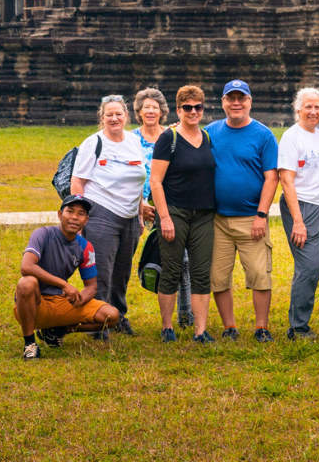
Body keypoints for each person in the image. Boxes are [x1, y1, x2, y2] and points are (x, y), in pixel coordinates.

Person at [70, 94, 151, 337]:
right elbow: (77, 182)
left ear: (126, 116)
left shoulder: (134, 142)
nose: (114, 118)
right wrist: (80, 218)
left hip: (130, 217)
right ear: (102, 118)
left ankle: (118, 316)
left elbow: (139, 180)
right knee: (102, 273)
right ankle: (97, 323)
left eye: (118, 114)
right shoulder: (93, 143)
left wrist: (140, 213)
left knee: (122, 272)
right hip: (101, 214)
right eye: (109, 115)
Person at [206, 79, 278, 342]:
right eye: (231, 98)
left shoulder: (263, 135)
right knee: (218, 276)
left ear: (249, 101)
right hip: (217, 219)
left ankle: (261, 327)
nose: (236, 103)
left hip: (251, 218)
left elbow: (271, 178)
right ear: (223, 102)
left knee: (259, 274)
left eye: (241, 98)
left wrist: (261, 215)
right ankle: (229, 326)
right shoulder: (210, 132)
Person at [148, 85, 217, 343]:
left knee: (201, 272)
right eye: (187, 107)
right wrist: (164, 217)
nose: (193, 112)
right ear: (178, 110)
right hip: (175, 211)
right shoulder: (169, 138)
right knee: (172, 269)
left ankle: (200, 330)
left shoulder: (207, 137)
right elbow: (156, 181)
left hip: (204, 214)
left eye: (198, 107)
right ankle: (167, 327)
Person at [13, 194, 119, 359]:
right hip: (34, 302)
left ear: (86, 220)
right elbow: (26, 266)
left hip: (60, 301)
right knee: (26, 283)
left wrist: (80, 300)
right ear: (60, 214)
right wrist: (64, 285)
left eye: (81, 214)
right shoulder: (43, 234)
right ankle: (30, 344)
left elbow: (91, 286)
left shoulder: (85, 246)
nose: (75, 217)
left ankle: (59, 330)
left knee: (111, 315)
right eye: (70, 211)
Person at [132, 87, 194, 330]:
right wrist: (140, 205)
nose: (150, 111)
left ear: (162, 112)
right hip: (139, 206)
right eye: (146, 107)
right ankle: (117, 314)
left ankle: (186, 314)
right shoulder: (130, 140)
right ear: (139, 111)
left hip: (170, 205)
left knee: (183, 260)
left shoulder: (172, 135)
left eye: (154, 107)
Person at [277, 87, 319, 340]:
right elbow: (286, 180)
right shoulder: (292, 137)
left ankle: (301, 320)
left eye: (317, 107)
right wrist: (298, 221)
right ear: (298, 109)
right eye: (308, 107)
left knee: (316, 268)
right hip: (303, 206)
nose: (313, 111)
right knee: (308, 268)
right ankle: (298, 327)